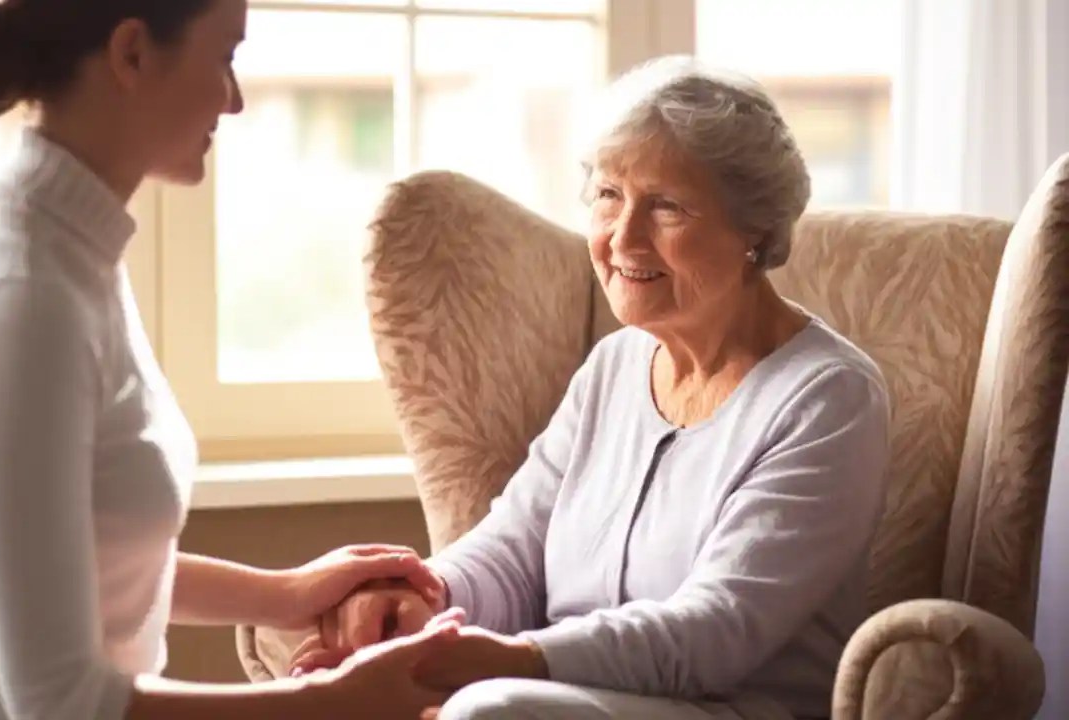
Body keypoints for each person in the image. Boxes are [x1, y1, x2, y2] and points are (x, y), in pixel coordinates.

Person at [0, 1, 462, 718]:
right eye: (224, 56)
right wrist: (328, 703)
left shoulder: (67, 249)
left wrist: (284, 594)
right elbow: (61, 704)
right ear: (132, 54)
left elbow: (86, 567)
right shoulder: (24, 295)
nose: (236, 97)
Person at [294, 56, 892, 720]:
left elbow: (714, 631)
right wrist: (424, 602)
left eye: (666, 206)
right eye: (608, 195)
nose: (623, 238)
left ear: (753, 230)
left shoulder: (828, 399)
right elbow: (515, 548)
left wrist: (493, 662)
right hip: (554, 693)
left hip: (723, 708)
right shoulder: (614, 367)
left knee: (490, 712)